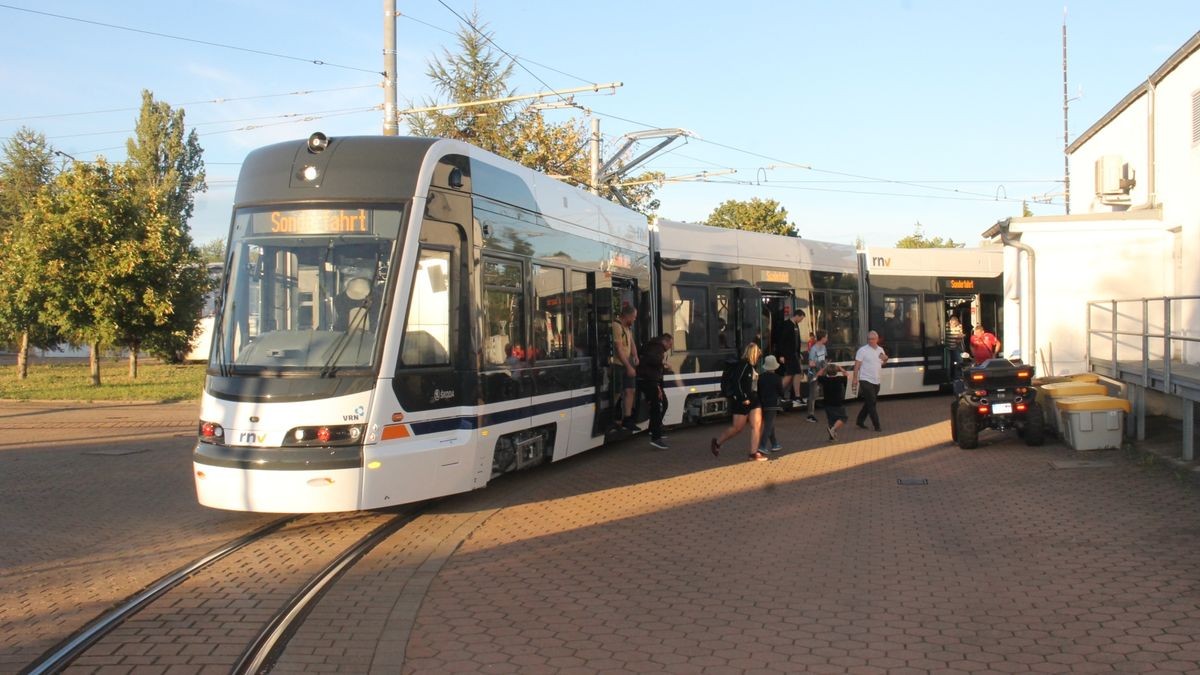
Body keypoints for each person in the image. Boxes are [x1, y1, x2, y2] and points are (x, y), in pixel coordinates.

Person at [711, 342, 767, 462]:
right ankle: (717, 442)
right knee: (737, 428)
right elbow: (736, 382)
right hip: (743, 401)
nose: (759, 356)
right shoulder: (743, 365)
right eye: (758, 353)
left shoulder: (753, 366)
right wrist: (743, 397)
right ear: (753, 353)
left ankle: (753, 453)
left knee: (756, 425)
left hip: (754, 399)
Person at [637, 333, 674, 449]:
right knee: (657, 406)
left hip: (650, 379)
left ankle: (654, 429)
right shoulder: (657, 348)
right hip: (649, 379)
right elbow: (652, 360)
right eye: (670, 344)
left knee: (661, 403)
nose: (670, 347)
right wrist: (664, 363)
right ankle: (655, 437)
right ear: (665, 342)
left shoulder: (653, 346)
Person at [850, 330, 887, 432]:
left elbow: (881, 363)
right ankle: (877, 425)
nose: (870, 341)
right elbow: (857, 365)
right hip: (865, 379)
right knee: (872, 403)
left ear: (877, 339)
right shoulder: (862, 350)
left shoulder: (880, 350)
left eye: (873, 339)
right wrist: (855, 378)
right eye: (869, 339)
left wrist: (886, 359)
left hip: (877, 380)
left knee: (870, 402)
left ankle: (859, 420)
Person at [612, 304, 639, 431]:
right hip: (618, 364)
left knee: (630, 390)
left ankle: (627, 419)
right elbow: (618, 349)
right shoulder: (616, 326)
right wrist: (629, 366)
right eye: (633, 317)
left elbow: (631, 342)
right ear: (627, 315)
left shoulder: (627, 327)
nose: (634, 319)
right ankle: (613, 417)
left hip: (627, 362)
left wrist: (635, 355)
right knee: (617, 392)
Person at [776, 309, 806, 405]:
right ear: (797, 316)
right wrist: (781, 354)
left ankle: (796, 395)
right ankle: (778, 393)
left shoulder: (795, 325)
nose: (801, 321)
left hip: (794, 354)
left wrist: (798, 352)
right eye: (801, 318)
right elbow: (781, 340)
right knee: (789, 375)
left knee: (796, 373)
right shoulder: (787, 325)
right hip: (788, 354)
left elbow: (796, 341)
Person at [757, 354, 785, 453]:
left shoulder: (760, 377)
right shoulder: (777, 378)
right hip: (773, 404)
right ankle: (762, 445)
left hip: (763, 404)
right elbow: (781, 391)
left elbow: (758, 391)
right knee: (768, 426)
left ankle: (775, 444)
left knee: (770, 424)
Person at [817, 363, 849, 441]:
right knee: (843, 417)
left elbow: (818, 375)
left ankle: (832, 437)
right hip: (838, 403)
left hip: (827, 403)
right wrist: (841, 368)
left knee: (831, 420)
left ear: (827, 372)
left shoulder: (824, 379)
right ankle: (833, 429)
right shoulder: (840, 379)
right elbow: (846, 374)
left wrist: (824, 368)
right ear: (836, 372)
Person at [805, 330, 829, 423]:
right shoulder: (814, 349)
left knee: (818, 392)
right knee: (813, 393)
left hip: (821, 372)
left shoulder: (823, 347)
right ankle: (810, 415)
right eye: (826, 337)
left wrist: (825, 365)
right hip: (813, 373)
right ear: (822, 338)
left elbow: (824, 358)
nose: (827, 339)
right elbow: (811, 363)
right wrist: (821, 365)